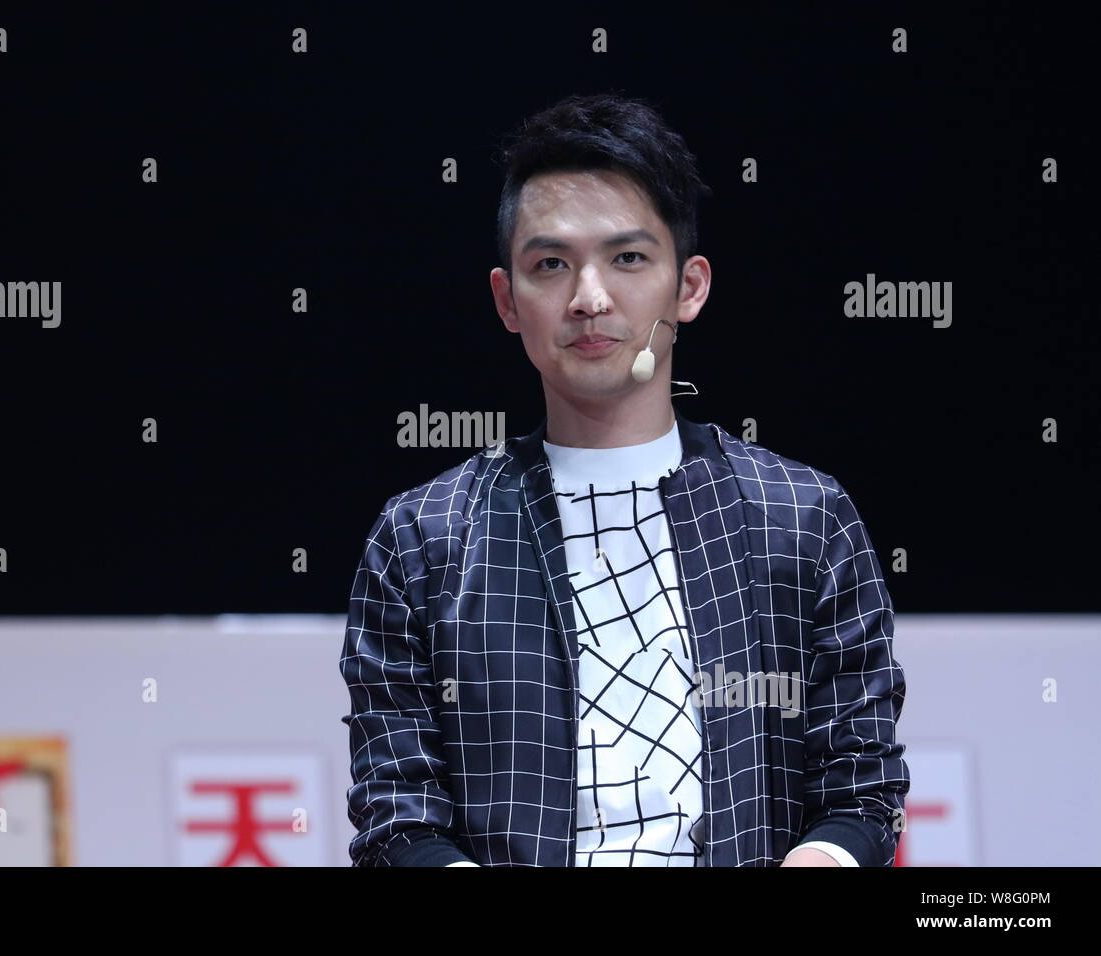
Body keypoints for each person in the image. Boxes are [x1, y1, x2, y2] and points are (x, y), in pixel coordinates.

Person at [339, 92, 909, 866]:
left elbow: (861, 791)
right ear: (508, 299)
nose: (590, 298)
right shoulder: (426, 538)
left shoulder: (801, 517)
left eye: (628, 258)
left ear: (690, 287)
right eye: (551, 265)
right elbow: (398, 818)